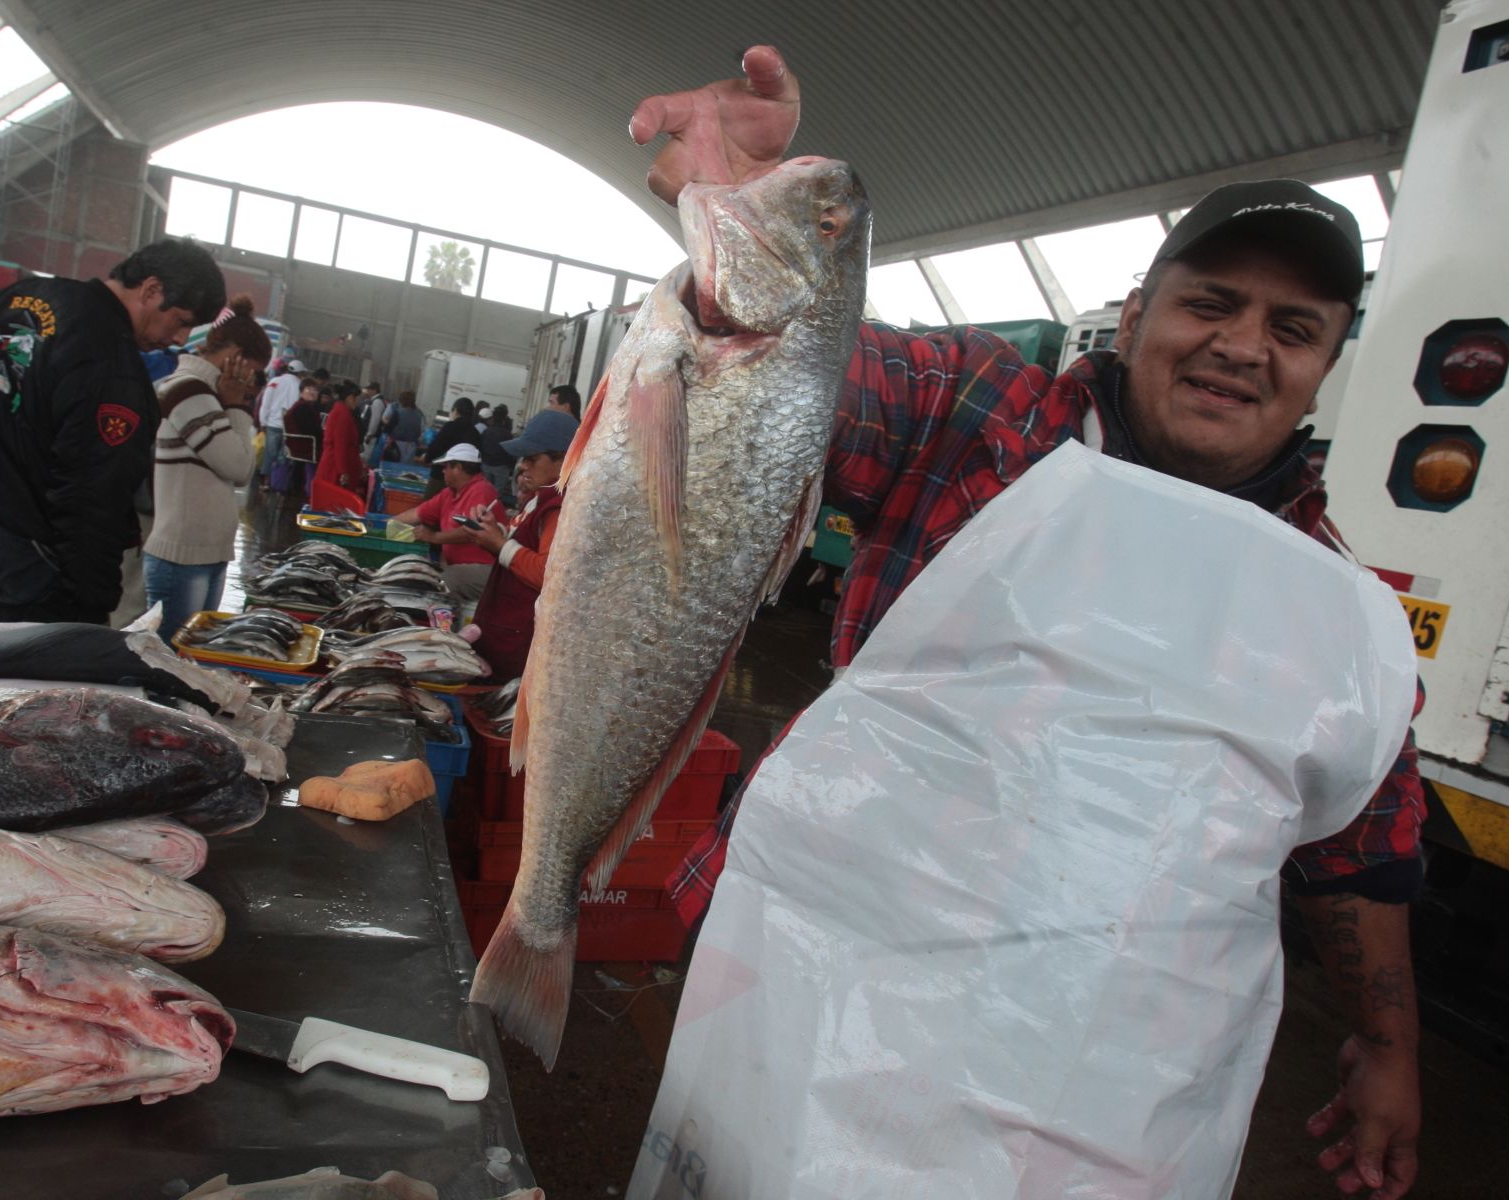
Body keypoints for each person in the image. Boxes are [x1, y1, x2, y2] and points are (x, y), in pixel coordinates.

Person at [636, 46, 1422, 1198]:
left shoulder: (1339, 615)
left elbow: (1364, 856)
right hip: (816, 1018)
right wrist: (749, 221)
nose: (1243, 346)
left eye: (1292, 328)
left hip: (1102, 1116)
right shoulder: (983, 416)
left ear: (1324, 366)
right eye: (1210, 303)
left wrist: (1390, 1047)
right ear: (1135, 314)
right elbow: (786, 363)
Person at [0, 236, 225, 624]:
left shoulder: (19, 297)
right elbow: (94, 491)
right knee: (24, 665)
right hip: (32, 555)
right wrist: (90, 605)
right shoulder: (108, 357)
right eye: (182, 322)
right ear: (152, 290)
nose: (179, 340)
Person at [141, 294, 270, 642]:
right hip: (183, 557)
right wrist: (237, 405)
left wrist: (231, 402)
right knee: (170, 657)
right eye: (253, 370)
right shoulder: (189, 392)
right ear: (235, 357)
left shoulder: (208, 394)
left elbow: (238, 467)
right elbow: (238, 468)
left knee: (190, 656)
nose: (252, 381)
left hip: (203, 553)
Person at [463, 409, 578, 680]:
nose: (523, 465)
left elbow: (547, 573)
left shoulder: (560, 508)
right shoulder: (541, 497)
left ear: (564, 460)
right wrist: (495, 530)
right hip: (503, 630)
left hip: (518, 640)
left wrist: (499, 545)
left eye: (532, 458)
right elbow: (526, 540)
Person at [389, 442, 505, 606]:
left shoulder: (482, 490)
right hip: (457, 566)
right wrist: (386, 523)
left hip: (487, 568)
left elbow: (473, 531)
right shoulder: (449, 493)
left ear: (458, 468)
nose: (443, 471)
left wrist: (434, 537)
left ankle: (445, 622)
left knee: (441, 584)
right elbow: (417, 513)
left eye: (446, 467)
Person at [257, 358, 305, 492]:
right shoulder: (300, 387)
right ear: (300, 373)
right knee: (283, 456)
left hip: (272, 424)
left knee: (269, 454)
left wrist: (263, 421)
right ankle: (277, 482)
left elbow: (266, 403)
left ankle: (266, 482)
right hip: (289, 427)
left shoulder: (275, 381)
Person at [314, 377, 367, 499]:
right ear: (349, 398)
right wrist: (343, 471)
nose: (357, 402)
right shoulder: (343, 415)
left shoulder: (342, 412)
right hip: (335, 466)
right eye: (356, 399)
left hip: (336, 463)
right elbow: (340, 445)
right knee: (332, 501)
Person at [282, 375, 325, 496]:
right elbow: (309, 429)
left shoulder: (306, 406)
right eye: (309, 389)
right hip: (304, 445)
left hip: (302, 443)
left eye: (315, 390)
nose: (313, 392)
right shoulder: (303, 408)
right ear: (301, 392)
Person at [479, 403, 517, 505]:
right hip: (501, 467)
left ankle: (481, 506)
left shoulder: (486, 431)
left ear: (492, 418)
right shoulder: (507, 434)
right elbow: (511, 452)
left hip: (486, 464)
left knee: (484, 491)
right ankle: (491, 509)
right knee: (496, 495)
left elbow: (480, 447)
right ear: (504, 419)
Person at [384, 389, 424, 463]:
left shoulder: (398, 413)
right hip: (411, 447)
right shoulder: (419, 415)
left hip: (396, 447)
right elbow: (420, 433)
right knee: (406, 467)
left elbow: (387, 429)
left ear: (401, 401)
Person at [360, 380, 387, 463]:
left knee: (364, 457)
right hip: (368, 435)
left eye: (369, 389)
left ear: (375, 390)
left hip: (371, 437)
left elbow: (375, 419)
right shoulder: (373, 400)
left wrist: (370, 433)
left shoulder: (377, 402)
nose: (367, 391)